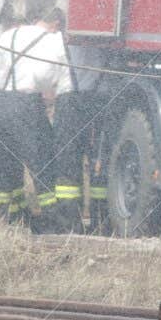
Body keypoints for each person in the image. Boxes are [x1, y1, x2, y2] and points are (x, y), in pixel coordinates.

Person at [0, 6, 69, 225]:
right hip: (26, 105)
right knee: (42, 162)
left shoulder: (9, 34)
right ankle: (53, 221)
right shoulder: (53, 40)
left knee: (2, 165)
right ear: (57, 25)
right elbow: (46, 76)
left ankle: (0, 217)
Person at [49, 39, 108, 231]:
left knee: (68, 164)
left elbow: (48, 76)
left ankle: (69, 223)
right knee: (99, 161)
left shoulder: (61, 41)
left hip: (69, 102)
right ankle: (102, 221)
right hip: (99, 100)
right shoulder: (103, 43)